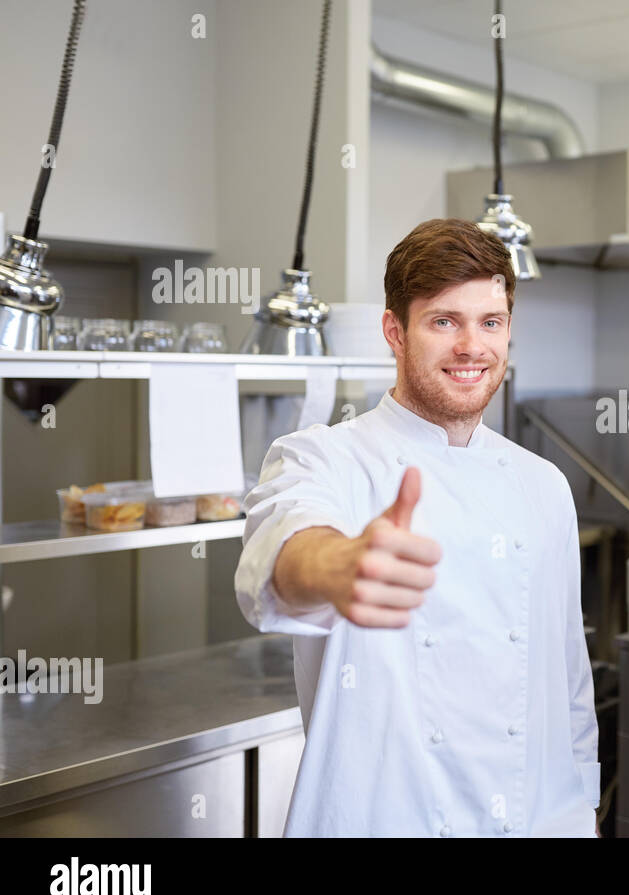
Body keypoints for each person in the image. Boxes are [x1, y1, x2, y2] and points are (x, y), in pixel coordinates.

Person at [235, 218, 599, 837]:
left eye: (491, 322)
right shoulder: (322, 458)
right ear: (394, 331)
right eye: (443, 321)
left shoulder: (545, 485)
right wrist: (338, 567)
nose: (472, 347)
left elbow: (568, 669)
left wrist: (583, 806)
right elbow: (280, 555)